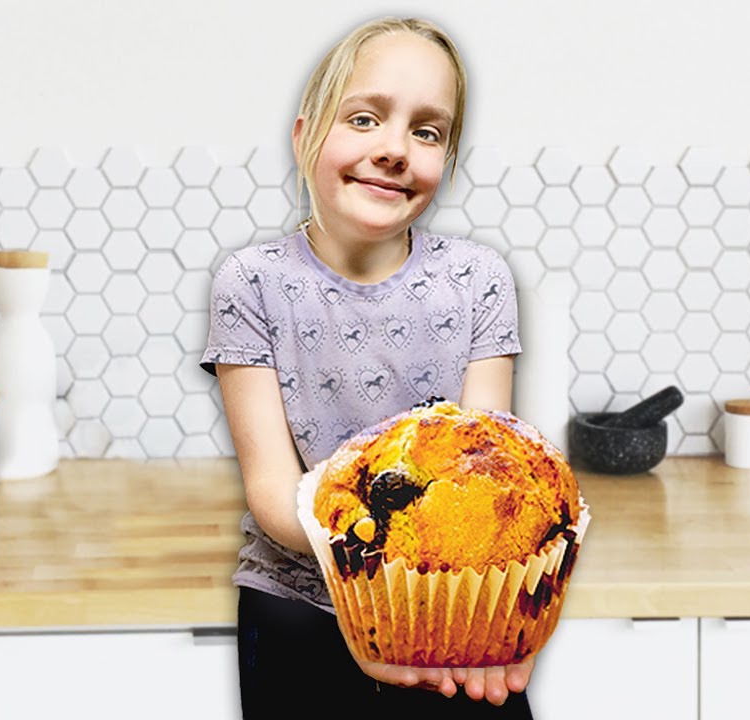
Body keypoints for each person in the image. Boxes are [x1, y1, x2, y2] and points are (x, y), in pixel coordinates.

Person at [200, 16, 534, 717]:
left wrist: (469, 605)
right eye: (363, 118)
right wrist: (373, 592)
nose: (394, 148)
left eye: (427, 131)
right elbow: (274, 491)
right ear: (304, 139)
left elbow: (485, 469)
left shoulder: (478, 281)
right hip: (299, 602)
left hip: (444, 600)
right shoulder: (251, 282)